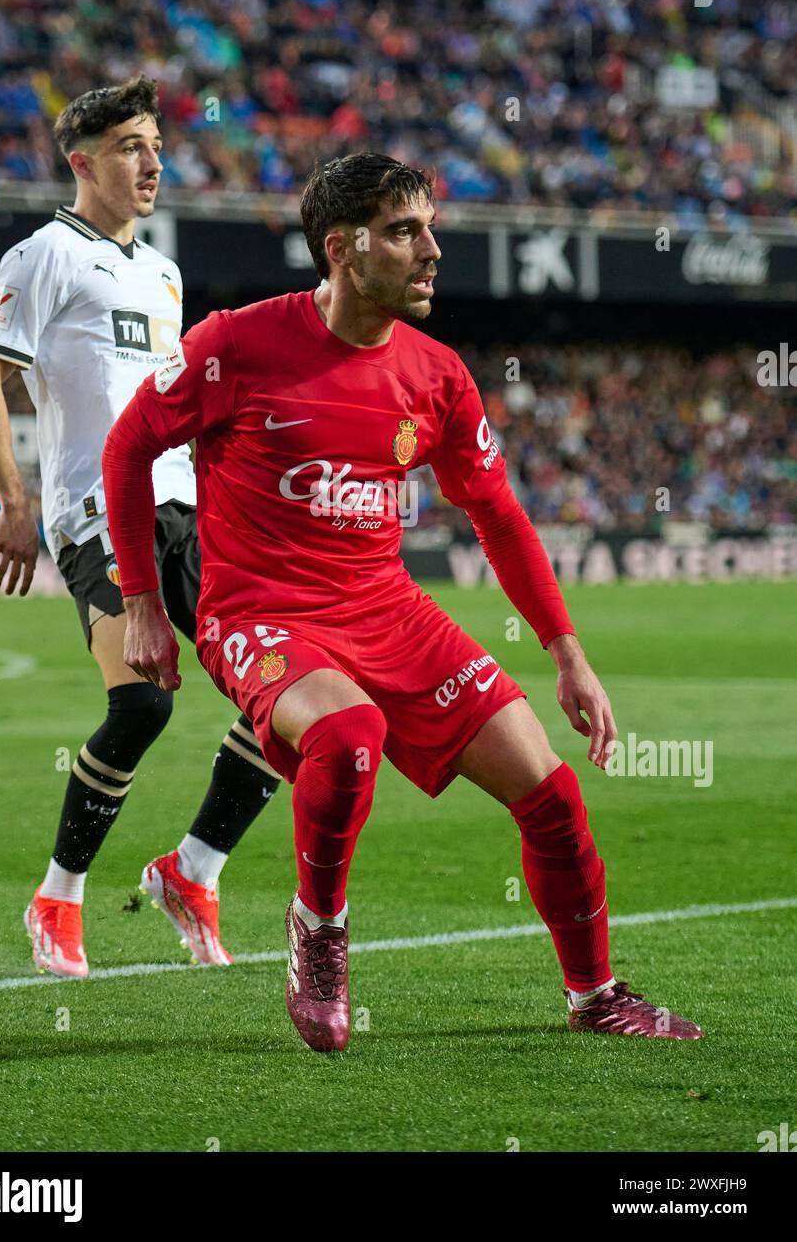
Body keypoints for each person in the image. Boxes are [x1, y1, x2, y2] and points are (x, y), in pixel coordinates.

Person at [102, 152, 704, 1050]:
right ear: (341, 250)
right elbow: (128, 447)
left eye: (429, 228)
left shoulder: (437, 376)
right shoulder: (236, 344)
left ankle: (595, 994)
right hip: (262, 613)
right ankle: (319, 931)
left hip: (386, 608)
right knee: (349, 739)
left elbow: (497, 515)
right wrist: (145, 602)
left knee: (552, 793)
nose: (431, 250)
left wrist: (567, 652)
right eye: (404, 232)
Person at [0, 75, 279, 980]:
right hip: (97, 514)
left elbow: (179, 406)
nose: (153, 161)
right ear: (82, 161)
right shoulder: (45, 255)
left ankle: (195, 870)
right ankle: (58, 896)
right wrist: (14, 504)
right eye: (133, 145)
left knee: (288, 694)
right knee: (142, 703)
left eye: (157, 145)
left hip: (191, 512)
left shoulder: (163, 272)